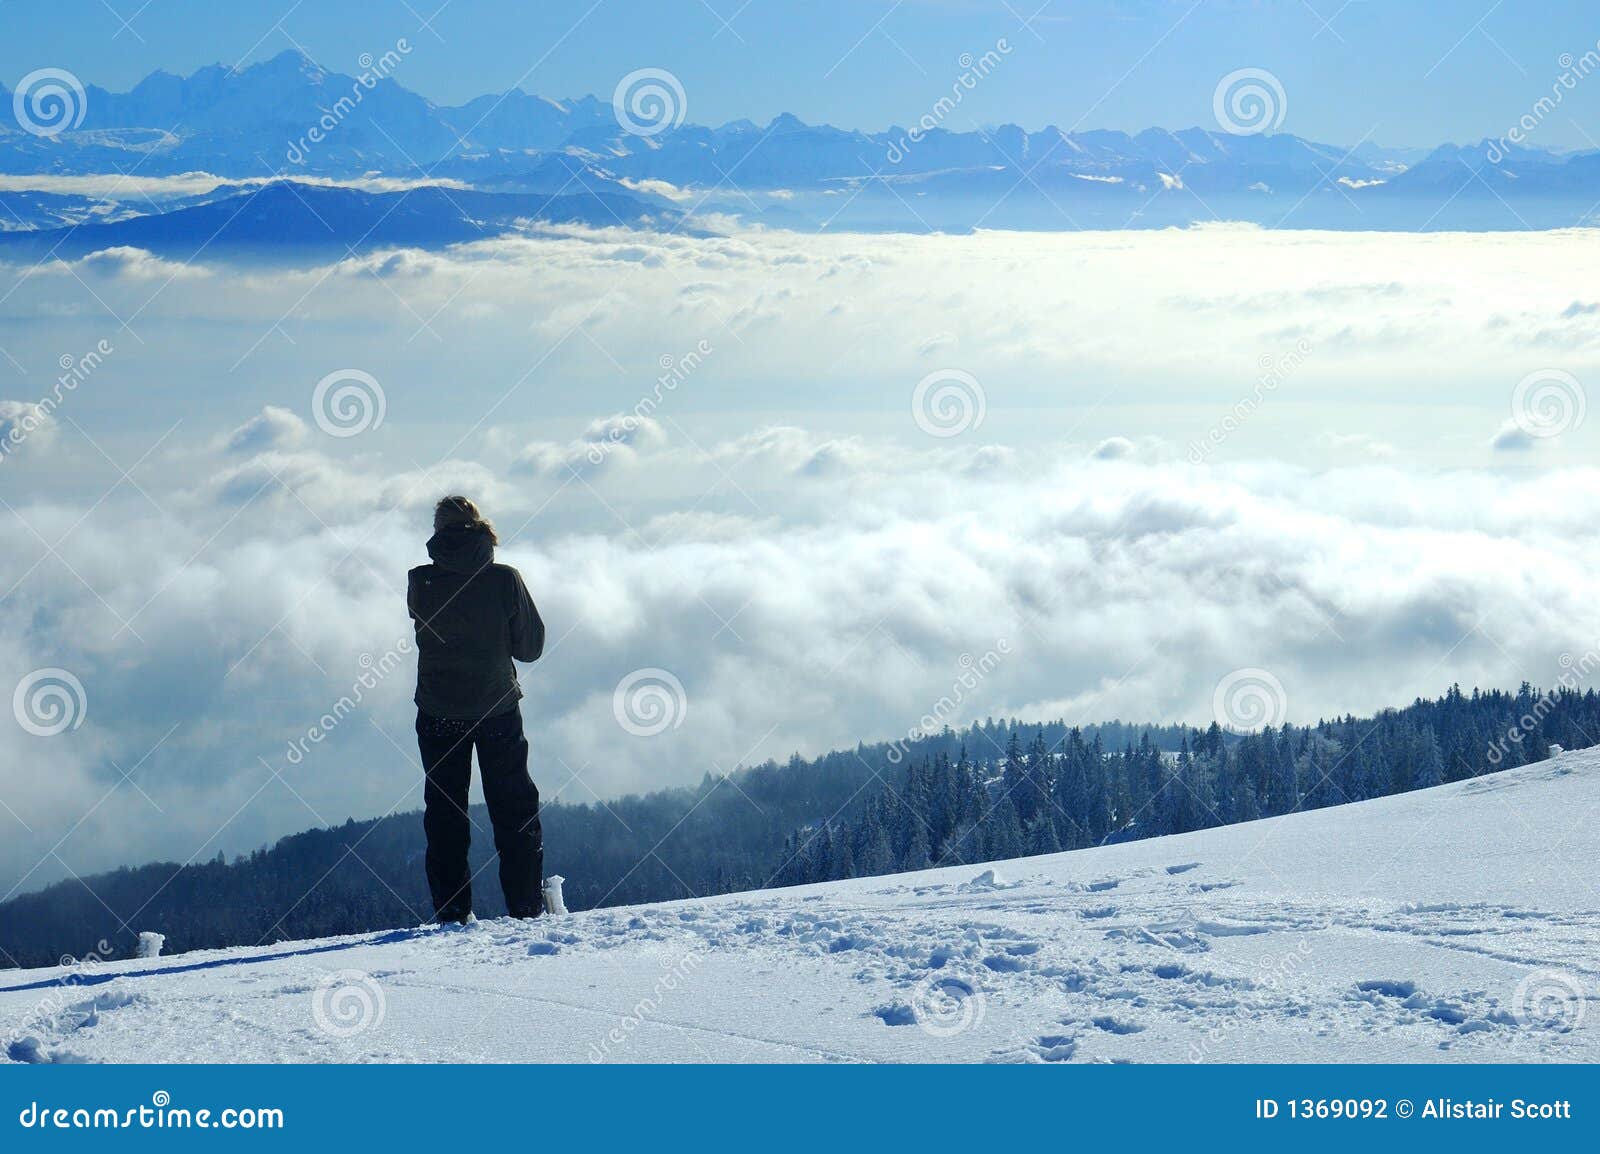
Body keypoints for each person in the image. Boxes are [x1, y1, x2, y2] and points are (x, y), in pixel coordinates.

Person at [407, 496, 546, 923]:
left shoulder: (420, 581)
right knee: (514, 808)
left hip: (437, 710)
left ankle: (452, 912)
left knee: (445, 813)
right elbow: (531, 648)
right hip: (496, 708)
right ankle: (525, 907)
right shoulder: (504, 580)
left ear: (437, 531)